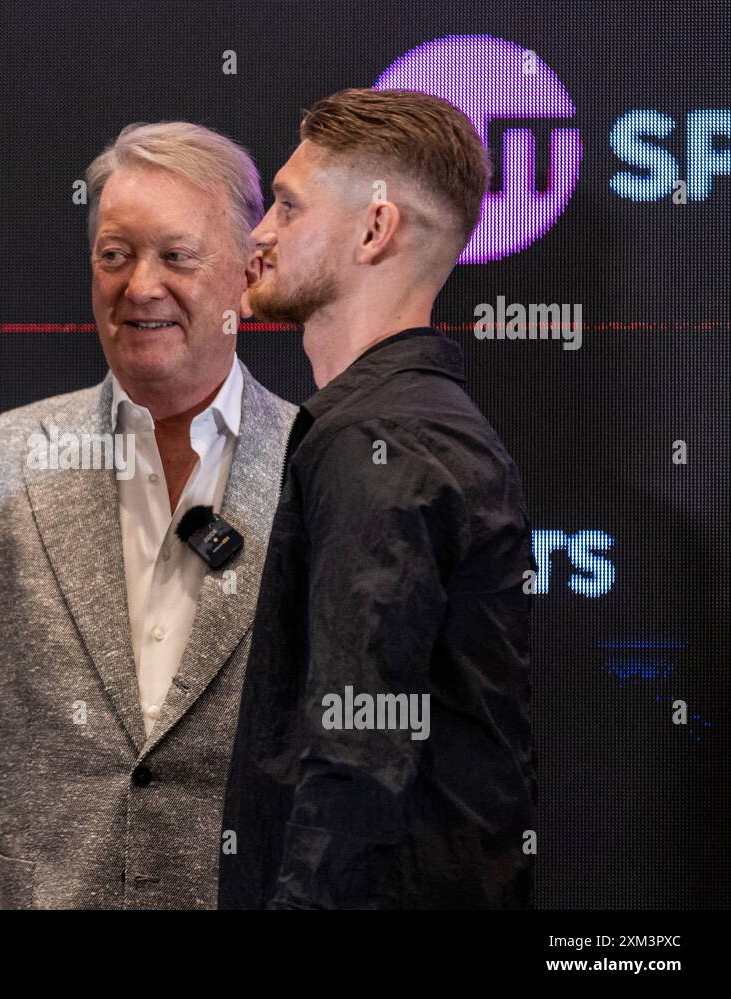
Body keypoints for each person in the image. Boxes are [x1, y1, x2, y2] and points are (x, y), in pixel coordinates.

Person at [0, 122, 297, 909]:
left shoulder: (323, 468)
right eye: (115, 255)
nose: (140, 286)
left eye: (177, 255)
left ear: (248, 272)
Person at [219, 88, 536, 909]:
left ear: (375, 228)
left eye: (288, 207)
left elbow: (358, 750)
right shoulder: (408, 421)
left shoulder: (378, 438)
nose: (259, 233)